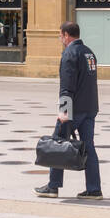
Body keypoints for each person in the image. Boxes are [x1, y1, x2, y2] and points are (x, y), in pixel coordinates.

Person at [35, 21, 102, 199]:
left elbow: (67, 85)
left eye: (60, 35)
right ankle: (94, 189)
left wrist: (64, 111)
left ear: (66, 35)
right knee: (89, 147)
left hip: (73, 109)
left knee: (57, 143)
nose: (60, 38)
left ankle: (53, 186)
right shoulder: (89, 53)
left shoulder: (69, 53)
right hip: (90, 107)